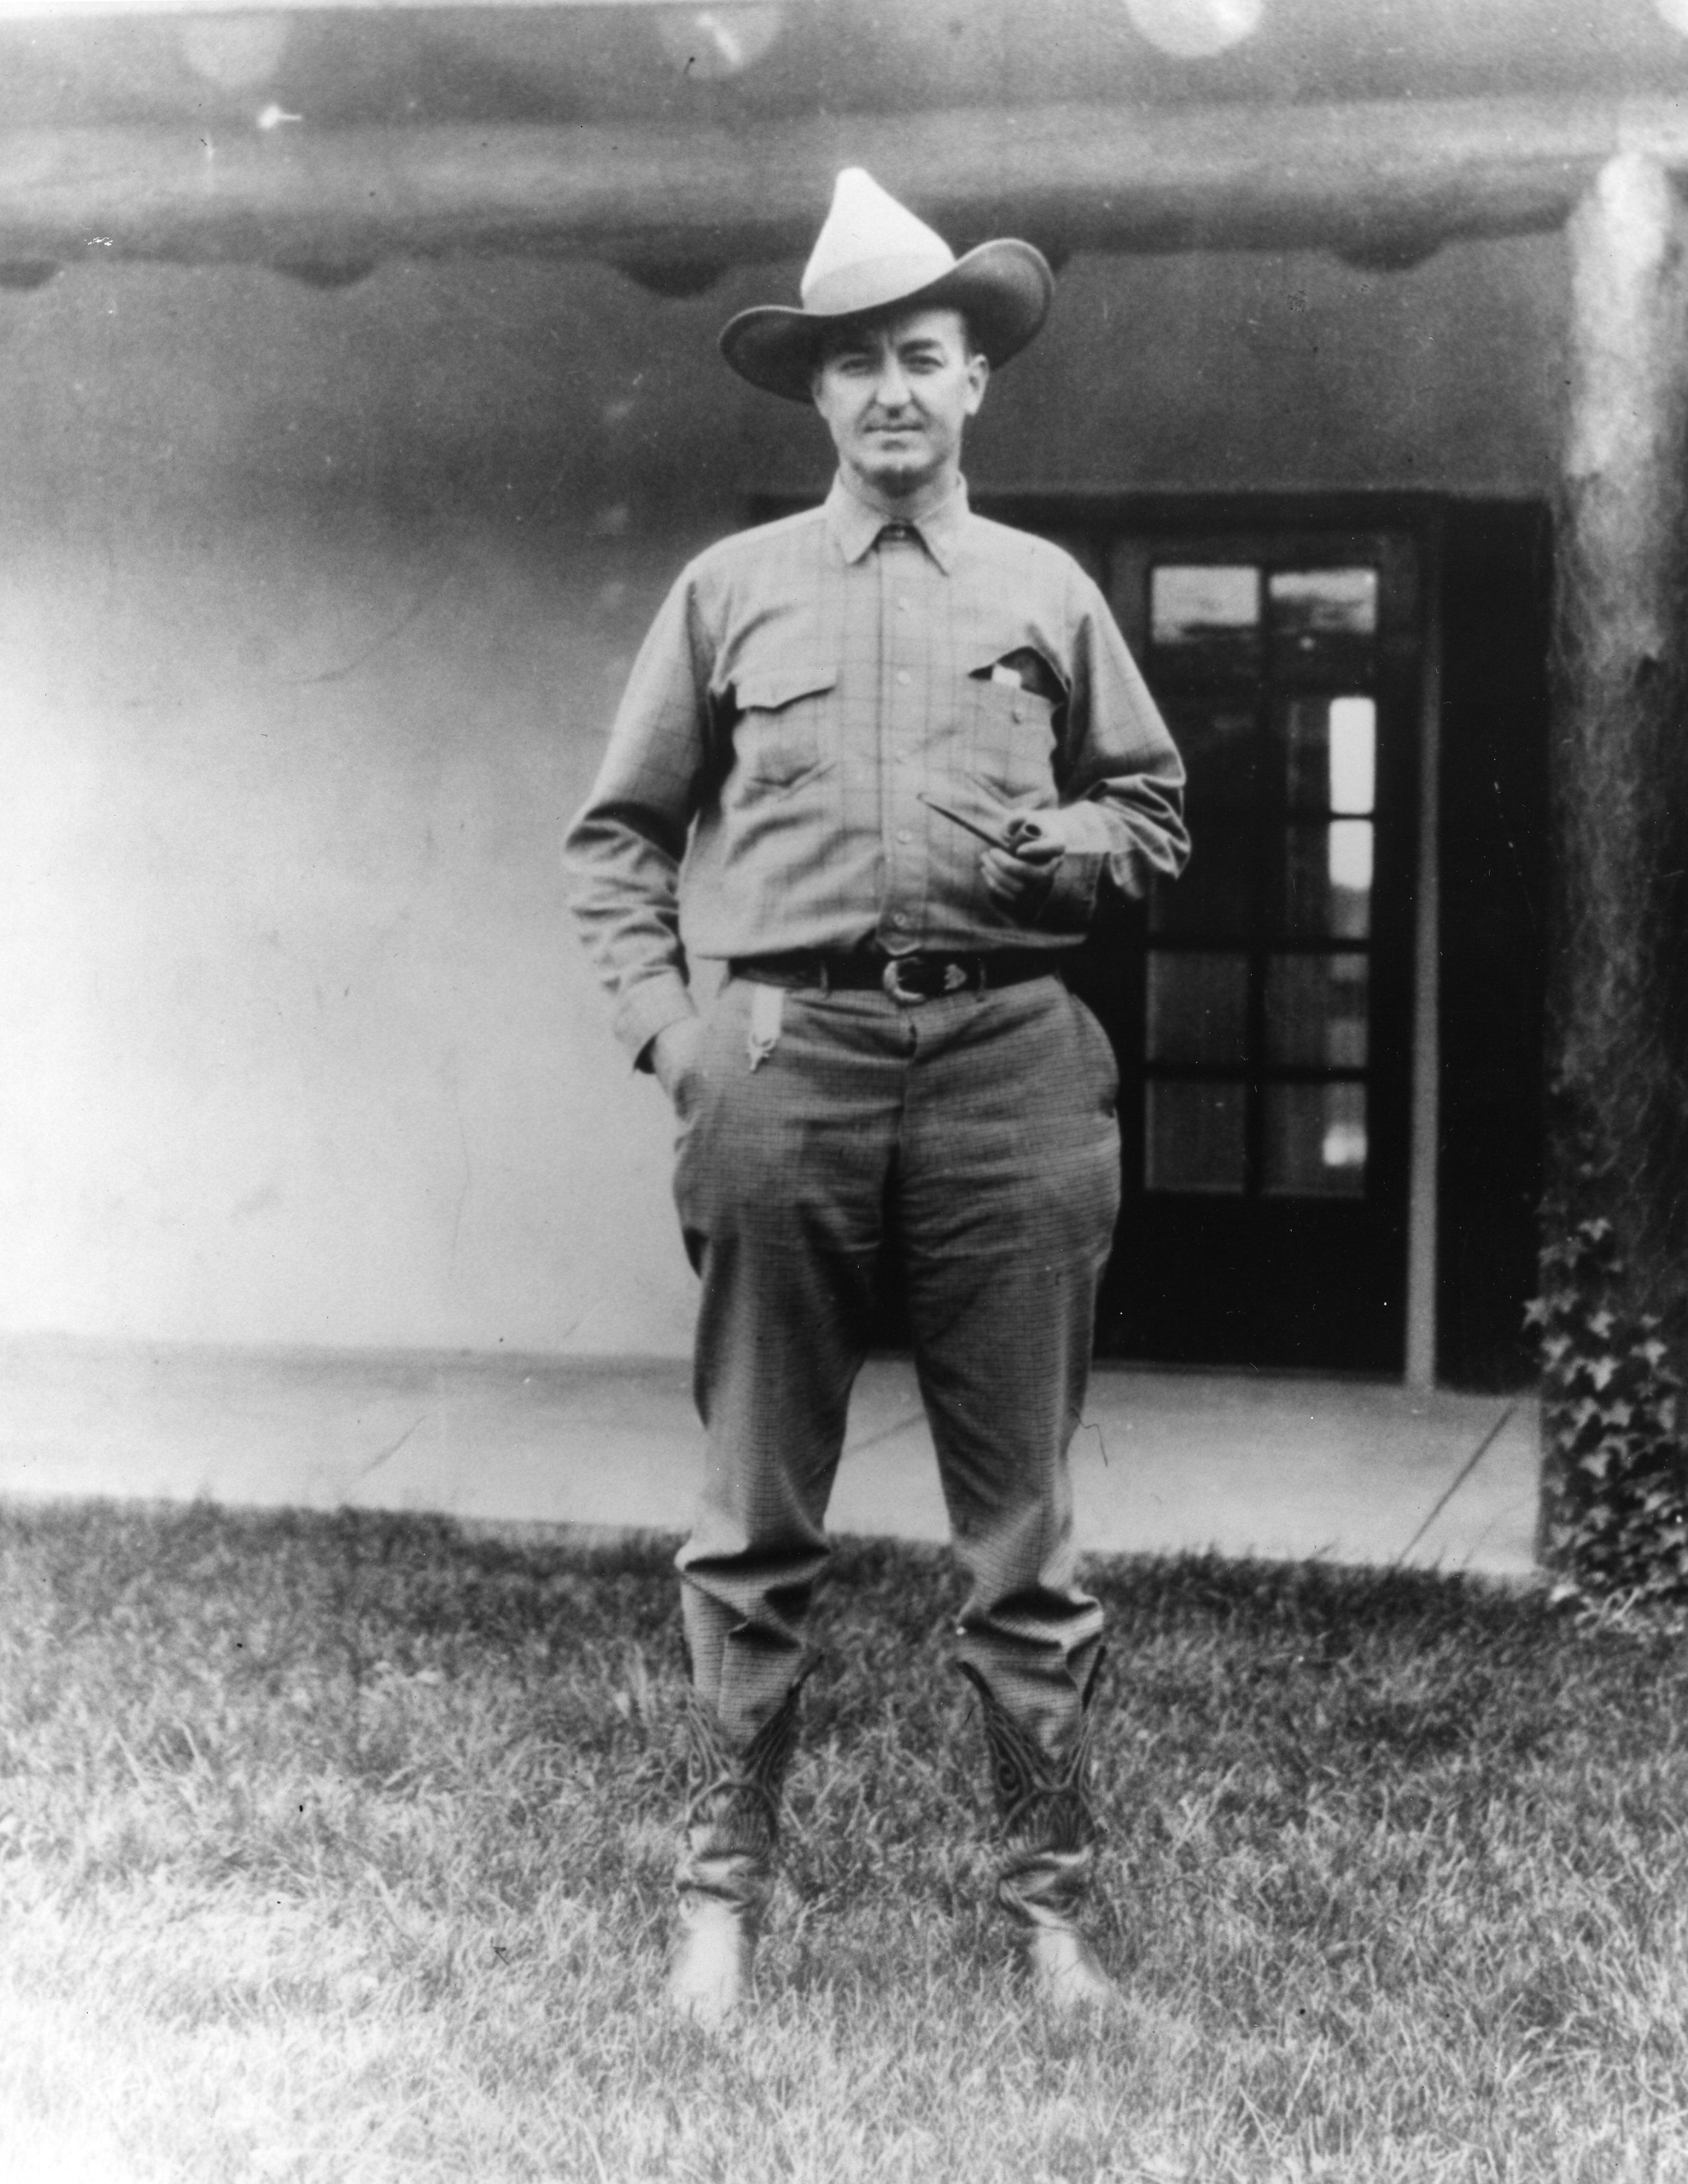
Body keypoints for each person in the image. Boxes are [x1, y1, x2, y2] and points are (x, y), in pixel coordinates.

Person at [565, 167, 1188, 2028]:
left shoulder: (1047, 594)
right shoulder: (728, 592)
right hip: (787, 1071)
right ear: (817, 400)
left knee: (1024, 1529)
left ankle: (1053, 1926)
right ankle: (718, 1905)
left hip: (1011, 1070)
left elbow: (1153, 820)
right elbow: (616, 843)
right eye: (858, 368)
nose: (895, 393)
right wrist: (681, 1041)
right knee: (754, 1512)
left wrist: (1076, 832)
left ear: (975, 382)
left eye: (925, 357)